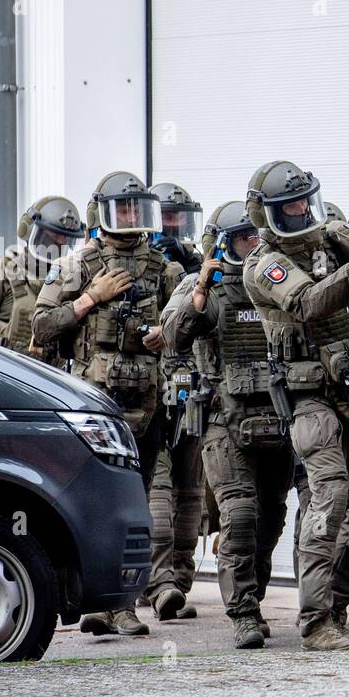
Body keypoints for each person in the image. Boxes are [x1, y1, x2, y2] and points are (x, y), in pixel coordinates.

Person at [242, 160, 349, 651]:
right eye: (288, 206)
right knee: (329, 498)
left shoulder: (331, 238)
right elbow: (310, 302)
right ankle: (315, 622)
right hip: (309, 395)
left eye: (303, 201)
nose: (299, 211)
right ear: (266, 212)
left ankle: (334, 599)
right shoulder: (262, 263)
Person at [32, 171, 181, 637]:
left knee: (139, 507)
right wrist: (88, 300)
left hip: (149, 404)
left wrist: (166, 337)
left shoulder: (166, 269)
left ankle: (127, 604)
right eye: (124, 208)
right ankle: (101, 602)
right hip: (93, 409)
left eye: (139, 208)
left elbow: (191, 326)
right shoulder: (80, 265)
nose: (132, 217)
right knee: (97, 505)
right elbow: (41, 326)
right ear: (103, 212)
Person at [162, 200, 295, 648]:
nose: (253, 244)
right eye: (243, 238)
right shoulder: (199, 286)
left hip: (278, 417)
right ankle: (242, 613)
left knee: (271, 518)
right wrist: (201, 285)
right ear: (222, 242)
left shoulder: (275, 280)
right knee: (239, 515)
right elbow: (174, 336)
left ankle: (251, 593)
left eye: (257, 235)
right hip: (224, 418)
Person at [138, 182, 206, 621]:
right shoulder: (134, 268)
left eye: (180, 221)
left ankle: (177, 583)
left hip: (193, 392)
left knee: (191, 494)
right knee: (158, 495)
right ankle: (157, 581)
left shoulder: (199, 268)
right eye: (166, 219)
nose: (173, 230)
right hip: (150, 397)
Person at [0, 196, 84, 364]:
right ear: (29, 231)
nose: (59, 244)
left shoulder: (70, 284)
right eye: (51, 238)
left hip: (49, 385)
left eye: (65, 240)